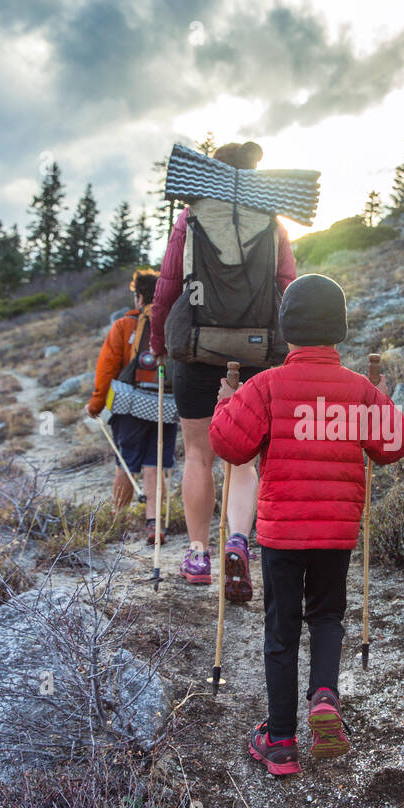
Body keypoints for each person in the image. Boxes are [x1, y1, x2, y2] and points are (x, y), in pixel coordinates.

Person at [208, 273, 404, 776]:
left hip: (282, 532)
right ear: (339, 329)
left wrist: (226, 402)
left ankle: (280, 741)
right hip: (336, 531)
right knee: (326, 616)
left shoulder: (266, 386)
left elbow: (230, 446)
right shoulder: (358, 391)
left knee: (280, 630)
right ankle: (324, 695)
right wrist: (380, 399)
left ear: (286, 329)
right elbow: (396, 444)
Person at [149, 140, 296, 594]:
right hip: (254, 352)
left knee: (197, 452)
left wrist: (158, 343)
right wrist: (286, 349)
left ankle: (197, 556)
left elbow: (167, 288)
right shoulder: (272, 220)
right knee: (244, 454)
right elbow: (288, 285)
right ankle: (237, 539)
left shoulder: (191, 217)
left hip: (195, 349)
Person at [86, 268, 177, 544]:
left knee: (126, 464)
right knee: (155, 464)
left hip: (129, 406)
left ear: (139, 297)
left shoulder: (125, 325)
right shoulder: (172, 323)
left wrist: (96, 403)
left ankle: (116, 519)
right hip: (165, 404)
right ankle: (154, 524)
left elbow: (107, 368)